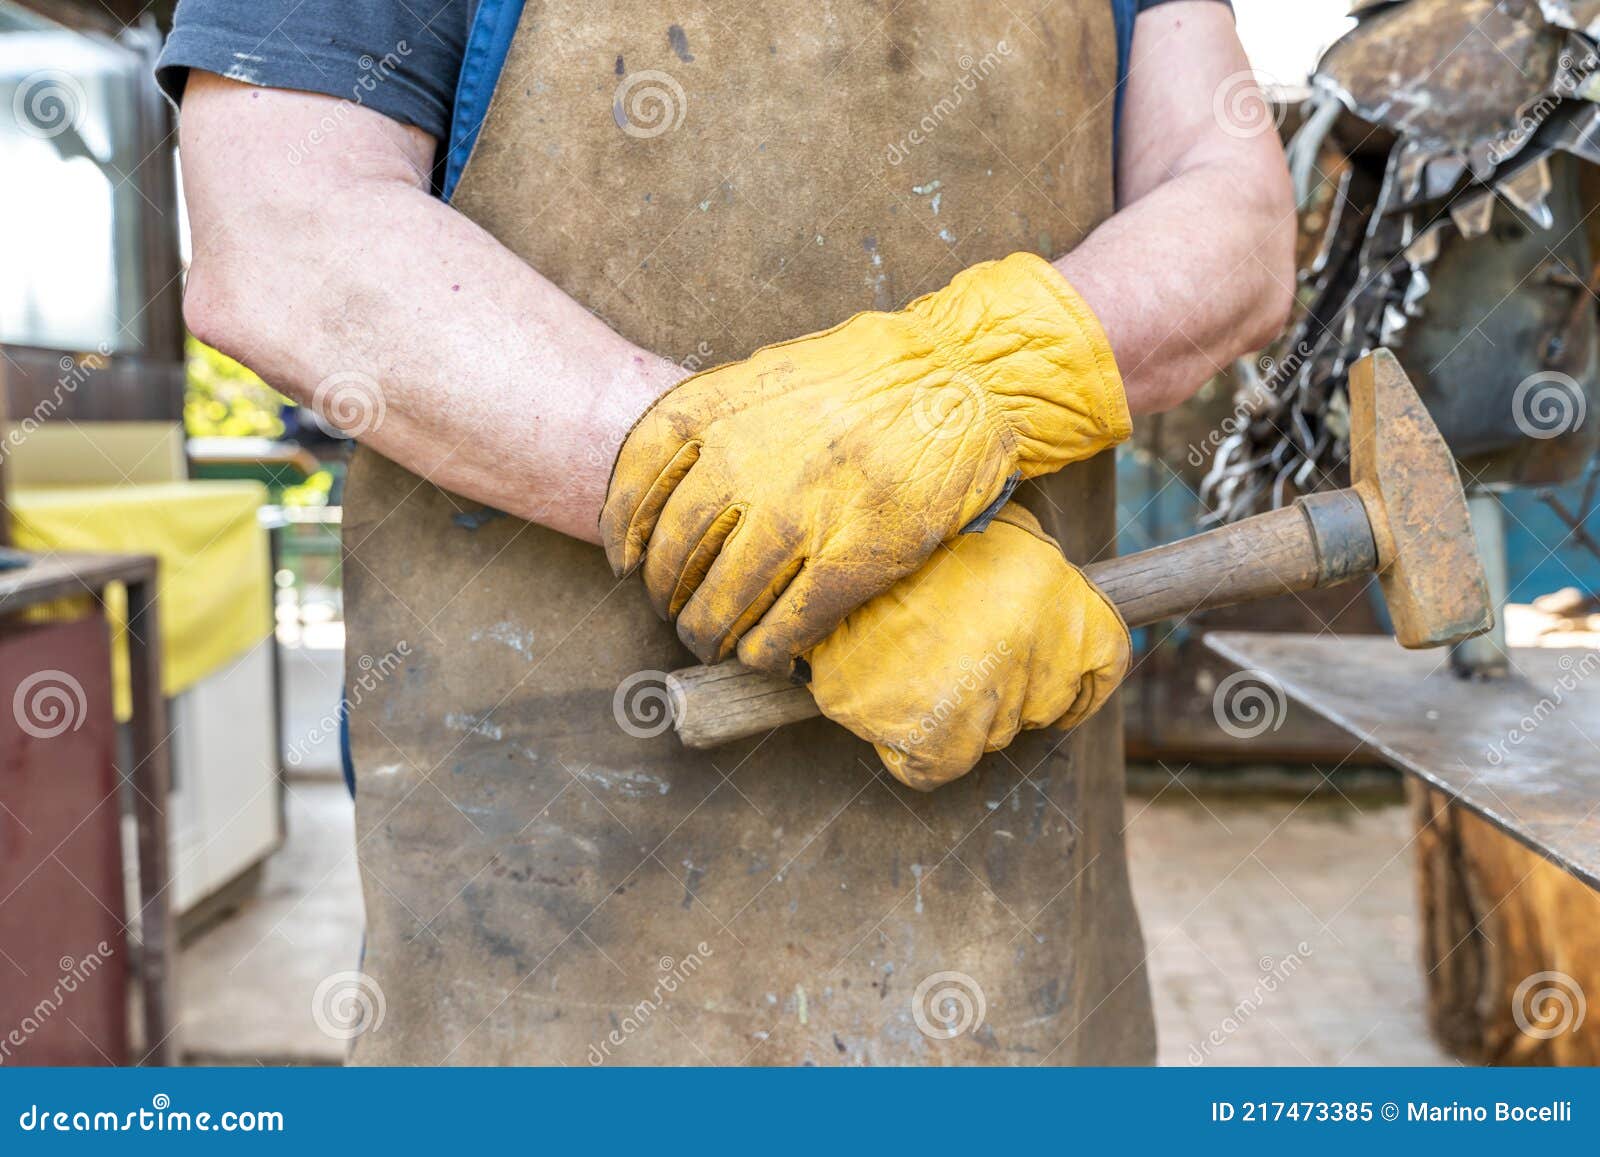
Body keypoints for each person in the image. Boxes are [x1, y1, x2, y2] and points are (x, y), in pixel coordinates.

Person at [160, 0, 1293, 1064]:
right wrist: (733, 499)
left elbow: (1231, 208)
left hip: (1017, 928)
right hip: (557, 942)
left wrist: (982, 375)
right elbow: (284, 226)